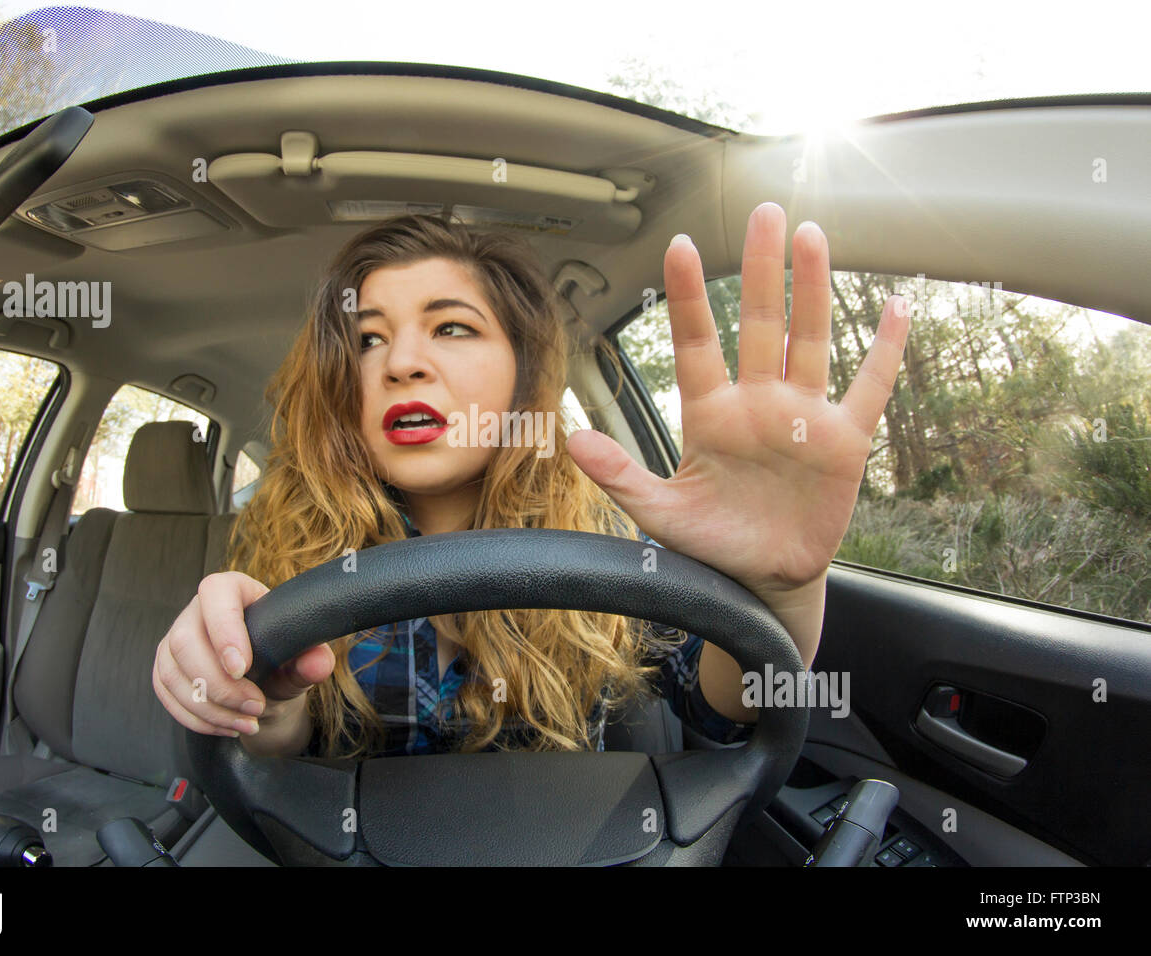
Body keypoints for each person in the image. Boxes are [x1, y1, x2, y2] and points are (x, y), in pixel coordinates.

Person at [151, 202, 911, 760]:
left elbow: (722, 712)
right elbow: (283, 753)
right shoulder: (293, 549)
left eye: (451, 327)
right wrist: (242, 688)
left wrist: (778, 593)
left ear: (522, 378)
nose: (399, 362)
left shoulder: (607, 542)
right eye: (367, 339)